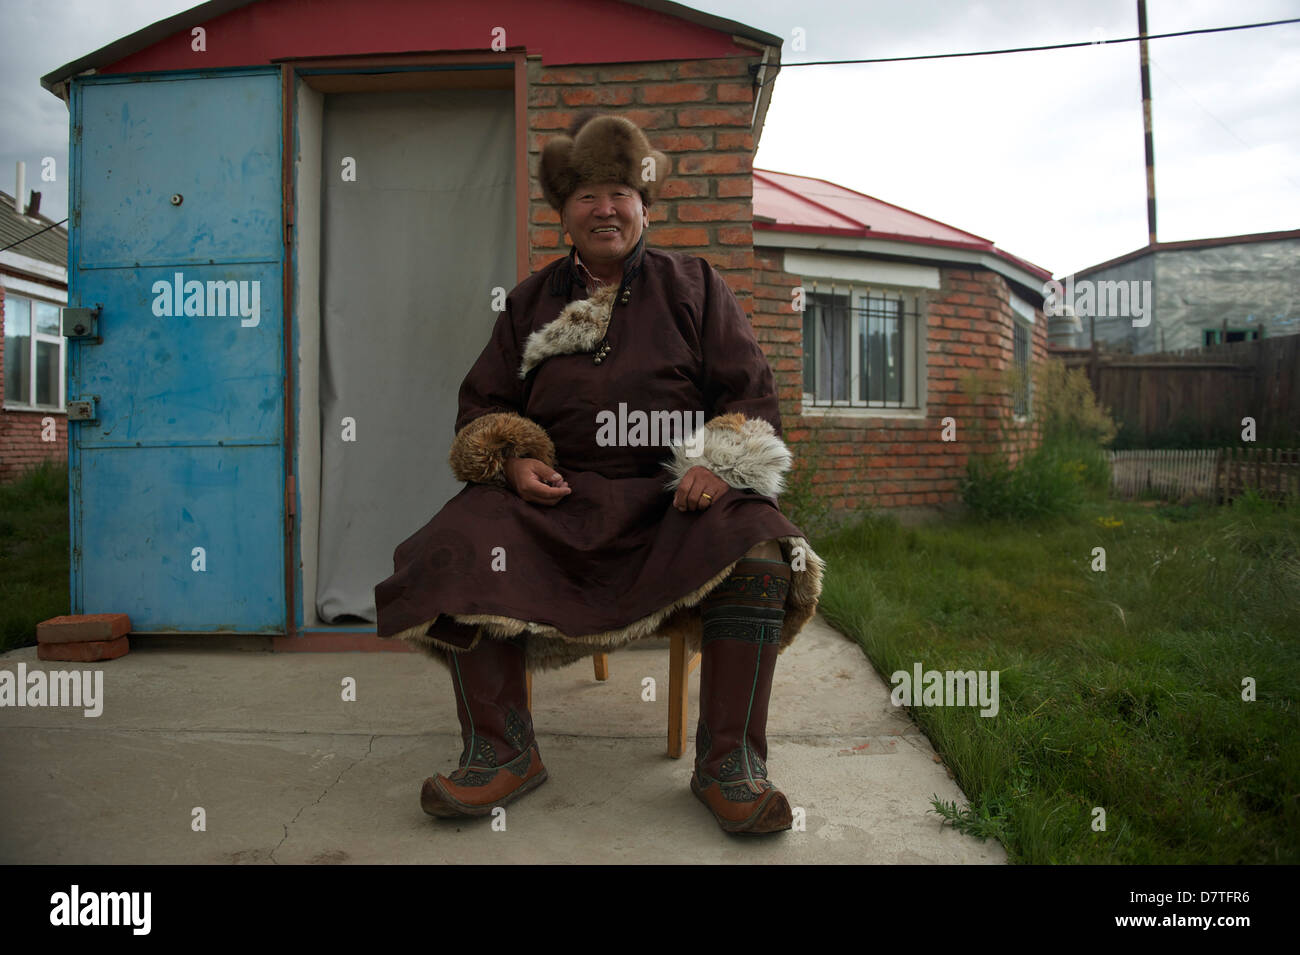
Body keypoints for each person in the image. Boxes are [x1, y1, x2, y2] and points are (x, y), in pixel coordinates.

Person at [373, 113, 825, 834]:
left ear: (645, 204)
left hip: (673, 500)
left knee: (764, 546)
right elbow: (483, 404)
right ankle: (501, 751)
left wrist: (719, 462)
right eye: (587, 195)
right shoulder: (528, 303)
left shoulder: (697, 286)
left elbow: (748, 394)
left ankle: (729, 763)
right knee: (453, 542)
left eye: (621, 191)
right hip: (560, 501)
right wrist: (516, 458)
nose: (606, 208)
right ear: (565, 213)